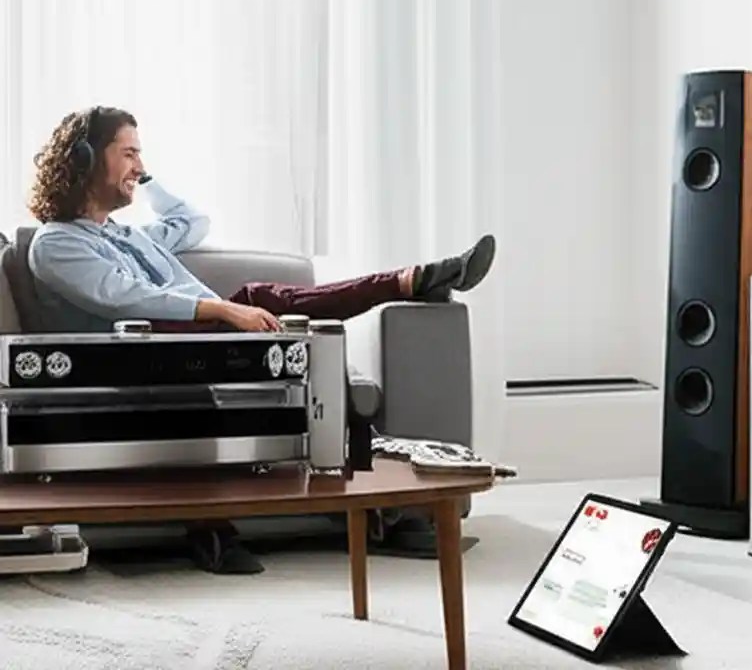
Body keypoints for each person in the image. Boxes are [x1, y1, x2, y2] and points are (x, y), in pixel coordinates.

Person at [24, 106, 496, 573]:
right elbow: (124, 298)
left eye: (140, 155)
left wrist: (144, 181)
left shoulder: (130, 235)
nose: (139, 165)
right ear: (85, 160)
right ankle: (412, 281)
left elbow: (192, 221)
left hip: (201, 338)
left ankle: (387, 513)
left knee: (312, 346)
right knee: (262, 300)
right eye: (129, 154)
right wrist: (226, 309)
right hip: (152, 351)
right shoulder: (57, 243)